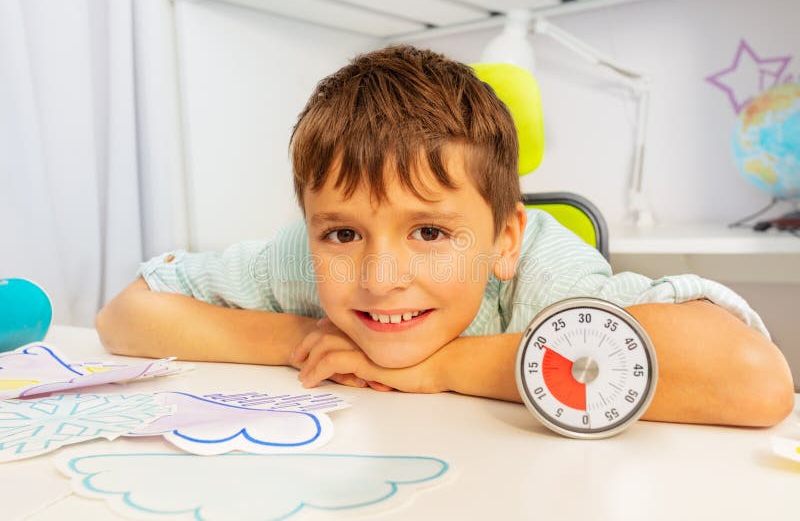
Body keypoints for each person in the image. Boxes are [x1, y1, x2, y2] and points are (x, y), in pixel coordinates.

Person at [96, 45, 794, 427]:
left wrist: (443, 366)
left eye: (429, 230)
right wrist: (300, 338)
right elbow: (125, 315)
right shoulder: (303, 260)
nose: (380, 277)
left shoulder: (545, 273)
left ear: (504, 239)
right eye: (342, 233)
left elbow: (755, 380)